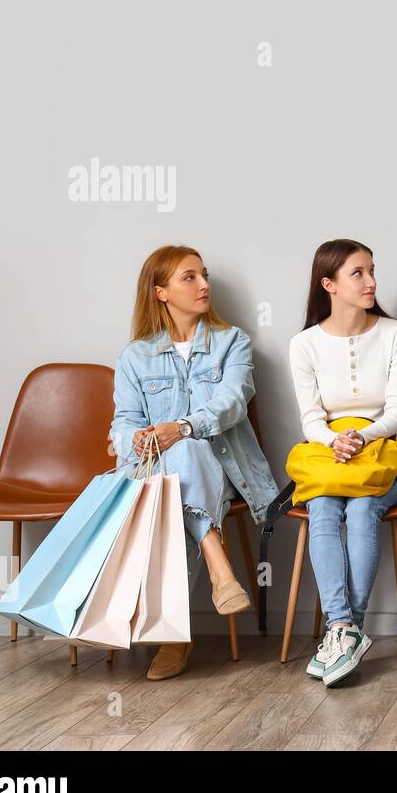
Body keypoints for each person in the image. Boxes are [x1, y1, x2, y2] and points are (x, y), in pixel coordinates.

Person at [110, 245, 279, 680]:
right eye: (189, 277)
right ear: (161, 292)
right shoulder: (135, 356)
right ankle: (218, 566)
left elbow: (232, 404)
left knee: (189, 448)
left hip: (224, 470)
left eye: (204, 275)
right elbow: (122, 426)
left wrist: (180, 428)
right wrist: (142, 437)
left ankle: (175, 636)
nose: (204, 285)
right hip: (153, 476)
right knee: (179, 464)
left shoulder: (232, 342)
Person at [288, 239, 397, 687]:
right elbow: (310, 420)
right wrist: (336, 442)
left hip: (386, 453)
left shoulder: (395, 333)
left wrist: (361, 435)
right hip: (330, 453)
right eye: (357, 273)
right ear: (329, 284)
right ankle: (343, 629)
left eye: (371, 271)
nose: (371, 282)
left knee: (363, 508)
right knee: (323, 508)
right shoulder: (304, 344)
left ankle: (345, 628)